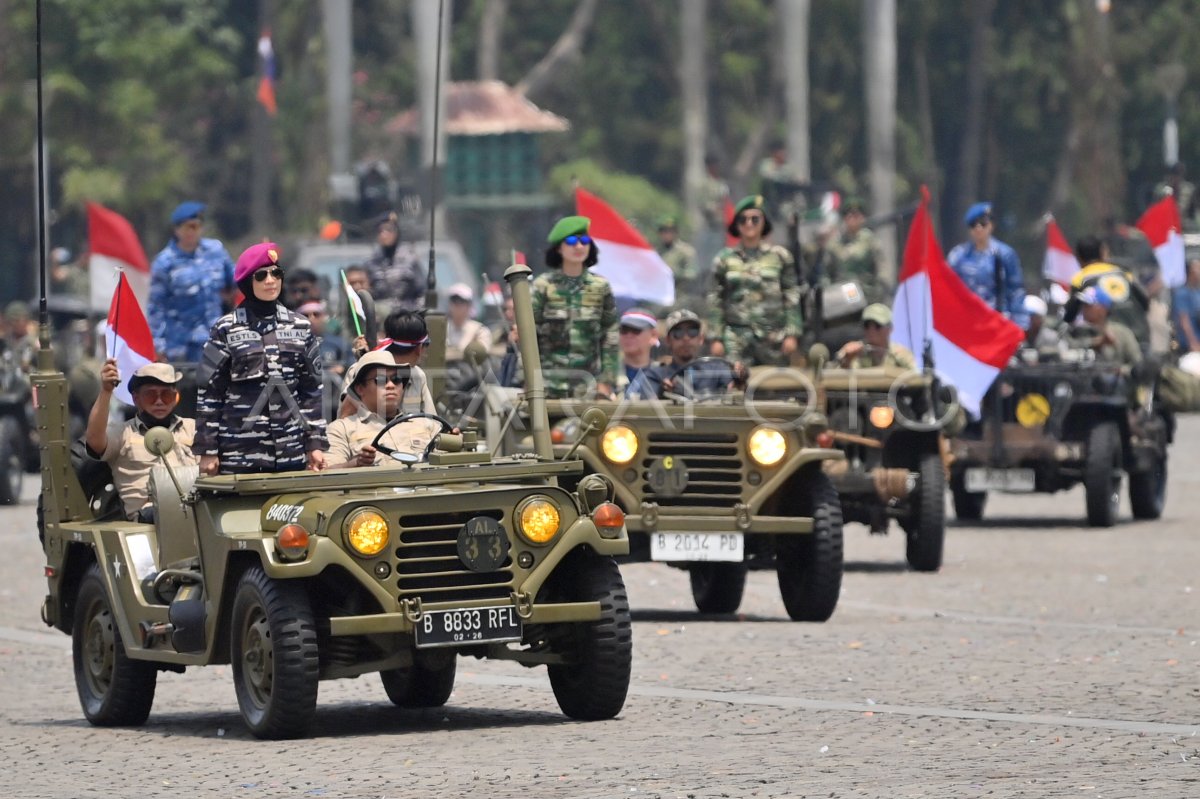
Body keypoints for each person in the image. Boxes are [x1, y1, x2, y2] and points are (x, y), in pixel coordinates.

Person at [195, 242, 327, 475]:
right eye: (261, 275)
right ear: (247, 282)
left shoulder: (301, 326)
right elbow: (210, 393)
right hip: (239, 453)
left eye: (276, 273)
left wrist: (315, 443)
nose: (271, 280)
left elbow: (311, 391)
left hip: (291, 452)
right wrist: (207, 449)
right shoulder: (226, 328)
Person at [84, 361, 197, 522]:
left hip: (196, 511)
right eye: (151, 395)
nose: (159, 401)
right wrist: (106, 391)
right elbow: (94, 440)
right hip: (147, 520)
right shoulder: (124, 434)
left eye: (166, 395)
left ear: (175, 398)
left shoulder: (193, 429)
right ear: (136, 398)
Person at [706, 195, 802, 366]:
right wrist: (716, 338)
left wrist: (792, 334)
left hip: (773, 338)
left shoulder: (780, 256)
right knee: (735, 386)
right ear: (736, 224)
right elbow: (715, 300)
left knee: (774, 387)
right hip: (735, 339)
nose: (749, 224)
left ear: (764, 222)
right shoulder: (724, 259)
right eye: (743, 220)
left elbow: (792, 295)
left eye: (755, 219)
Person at [532, 215, 619, 398]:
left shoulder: (600, 287)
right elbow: (529, 336)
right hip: (547, 386)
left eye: (584, 240)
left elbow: (610, 335)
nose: (579, 246)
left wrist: (607, 381)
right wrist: (528, 381)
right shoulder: (543, 286)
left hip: (588, 386)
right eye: (571, 240)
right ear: (558, 248)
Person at [148, 201, 236, 363]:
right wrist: (158, 344)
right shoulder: (164, 262)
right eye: (187, 227)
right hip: (180, 344)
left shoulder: (215, 251)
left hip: (214, 339)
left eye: (196, 226)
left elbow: (235, 280)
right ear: (176, 230)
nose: (192, 232)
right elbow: (156, 307)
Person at [327, 351, 440, 468]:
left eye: (396, 379)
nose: (390, 385)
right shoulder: (342, 429)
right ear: (360, 389)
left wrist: (455, 441)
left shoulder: (426, 424)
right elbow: (326, 473)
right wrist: (356, 463)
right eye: (380, 379)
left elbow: (451, 460)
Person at [946, 202, 1028, 328]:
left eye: (983, 223)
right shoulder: (958, 256)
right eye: (973, 225)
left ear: (991, 225)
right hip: (967, 321)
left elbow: (1016, 290)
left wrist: (1020, 324)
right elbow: (948, 287)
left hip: (996, 321)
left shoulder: (1005, 254)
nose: (978, 228)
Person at [652, 309, 746, 398]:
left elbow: (734, 389)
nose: (686, 338)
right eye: (678, 333)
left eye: (693, 332)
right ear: (668, 340)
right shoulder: (656, 375)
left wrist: (739, 379)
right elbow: (648, 404)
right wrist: (662, 392)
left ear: (701, 339)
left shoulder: (716, 371)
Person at [828, 196, 890, 304]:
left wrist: (881, 288)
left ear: (862, 218)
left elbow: (881, 267)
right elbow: (827, 270)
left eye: (856, 215)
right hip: (840, 295)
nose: (852, 218)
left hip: (866, 294)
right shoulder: (835, 242)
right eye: (849, 215)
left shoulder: (870, 240)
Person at [365, 212, 425, 316]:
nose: (384, 234)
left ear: (396, 232)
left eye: (389, 230)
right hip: (381, 317)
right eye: (381, 231)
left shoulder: (410, 258)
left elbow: (422, 291)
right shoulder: (372, 262)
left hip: (407, 316)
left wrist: (417, 314)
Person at [1068, 286, 1141, 368]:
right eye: (1083, 305)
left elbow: (1137, 363)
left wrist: (1121, 371)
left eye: (1089, 305)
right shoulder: (1075, 331)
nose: (1084, 309)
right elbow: (1067, 349)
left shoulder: (1122, 332)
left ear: (1102, 309)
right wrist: (1096, 343)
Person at [835, 303, 915, 369]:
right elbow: (840, 378)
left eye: (877, 326)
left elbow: (916, 378)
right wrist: (848, 359)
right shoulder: (855, 351)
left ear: (890, 329)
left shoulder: (900, 354)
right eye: (867, 325)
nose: (871, 330)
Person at [297, 300, 351, 376]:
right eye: (305, 315)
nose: (311, 318)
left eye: (316, 314)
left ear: (324, 317)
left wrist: (343, 368)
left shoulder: (339, 343)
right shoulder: (291, 345)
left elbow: (351, 363)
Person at [655, 216, 700, 308]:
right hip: (659, 297)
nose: (667, 234)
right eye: (664, 231)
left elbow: (693, 274)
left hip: (680, 297)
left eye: (670, 231)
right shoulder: (656, 253)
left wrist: (673, 272)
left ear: (675, 232)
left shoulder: (686, 251)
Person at [616, 309, 660, 398]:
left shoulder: (662, 375)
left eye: (636, 330)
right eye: (624, 330)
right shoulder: (607, 374)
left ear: (653, 335)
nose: (629, 335)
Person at [445, 282, 492, 362]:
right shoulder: (442, 328)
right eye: (454, 300)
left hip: (469, 371)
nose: (457, 305)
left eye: (461, 301)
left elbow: (483, 353)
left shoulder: (479, 331)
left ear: (469, 305)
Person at [1020, 295, 1066, 359]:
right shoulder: (1018, 337)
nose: (1029, 319)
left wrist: (1044, 353)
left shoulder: (1051, 337)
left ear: (1041, 318)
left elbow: (1063, 356)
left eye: (1032, 316)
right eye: (1026, 315)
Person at [1172, 259, 1200, 353]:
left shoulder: (1197, 291)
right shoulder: (1182, 293)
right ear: (1191, 273)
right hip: (1190, 343)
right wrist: (1193, 343)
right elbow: (1184, 320)